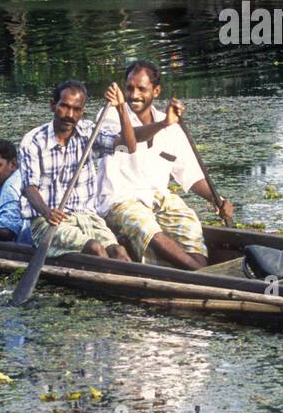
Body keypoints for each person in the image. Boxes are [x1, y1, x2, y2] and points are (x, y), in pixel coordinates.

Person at [97, 60, 234, 270]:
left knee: (190, 223)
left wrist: (217, 199)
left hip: (157, 198)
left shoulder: (170, 124)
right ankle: (202, 275)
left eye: (142, 89)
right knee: (146, 227)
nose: (134, 95)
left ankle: (198, 269)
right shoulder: (111, 115)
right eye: (129, 88)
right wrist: (162, 124)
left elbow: (189, 173)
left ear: (156, 91)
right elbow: (130, 141)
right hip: (119, 201)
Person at [19, 80, 134, 261]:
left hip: (87, 217)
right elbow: (29, 188)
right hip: (48, 222)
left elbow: (129, 146)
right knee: (95, 249)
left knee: (118, 252)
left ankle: (131, 287)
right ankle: (106, 287)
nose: (70, 115)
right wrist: (47, 212)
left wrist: (120, 108)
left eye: (76, 109)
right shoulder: (33, 141)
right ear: (52, 105)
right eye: (64, 107)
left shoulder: (88, 131)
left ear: (82, 111)